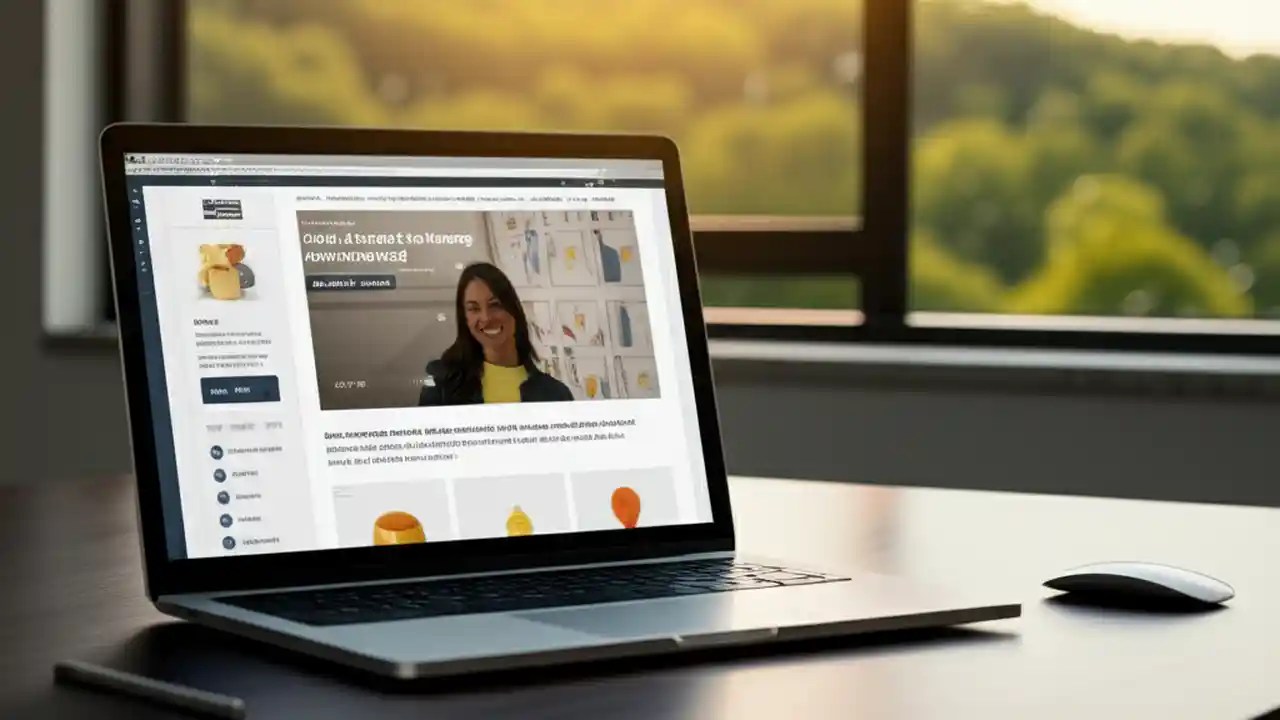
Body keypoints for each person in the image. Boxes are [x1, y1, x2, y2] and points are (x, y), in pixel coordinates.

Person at [419, 262, 573, 405]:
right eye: (474, 309)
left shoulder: (556, 395)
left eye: (495, 305)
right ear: (464, 318)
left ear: (514, 310)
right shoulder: (442, 383)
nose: (486, 318)